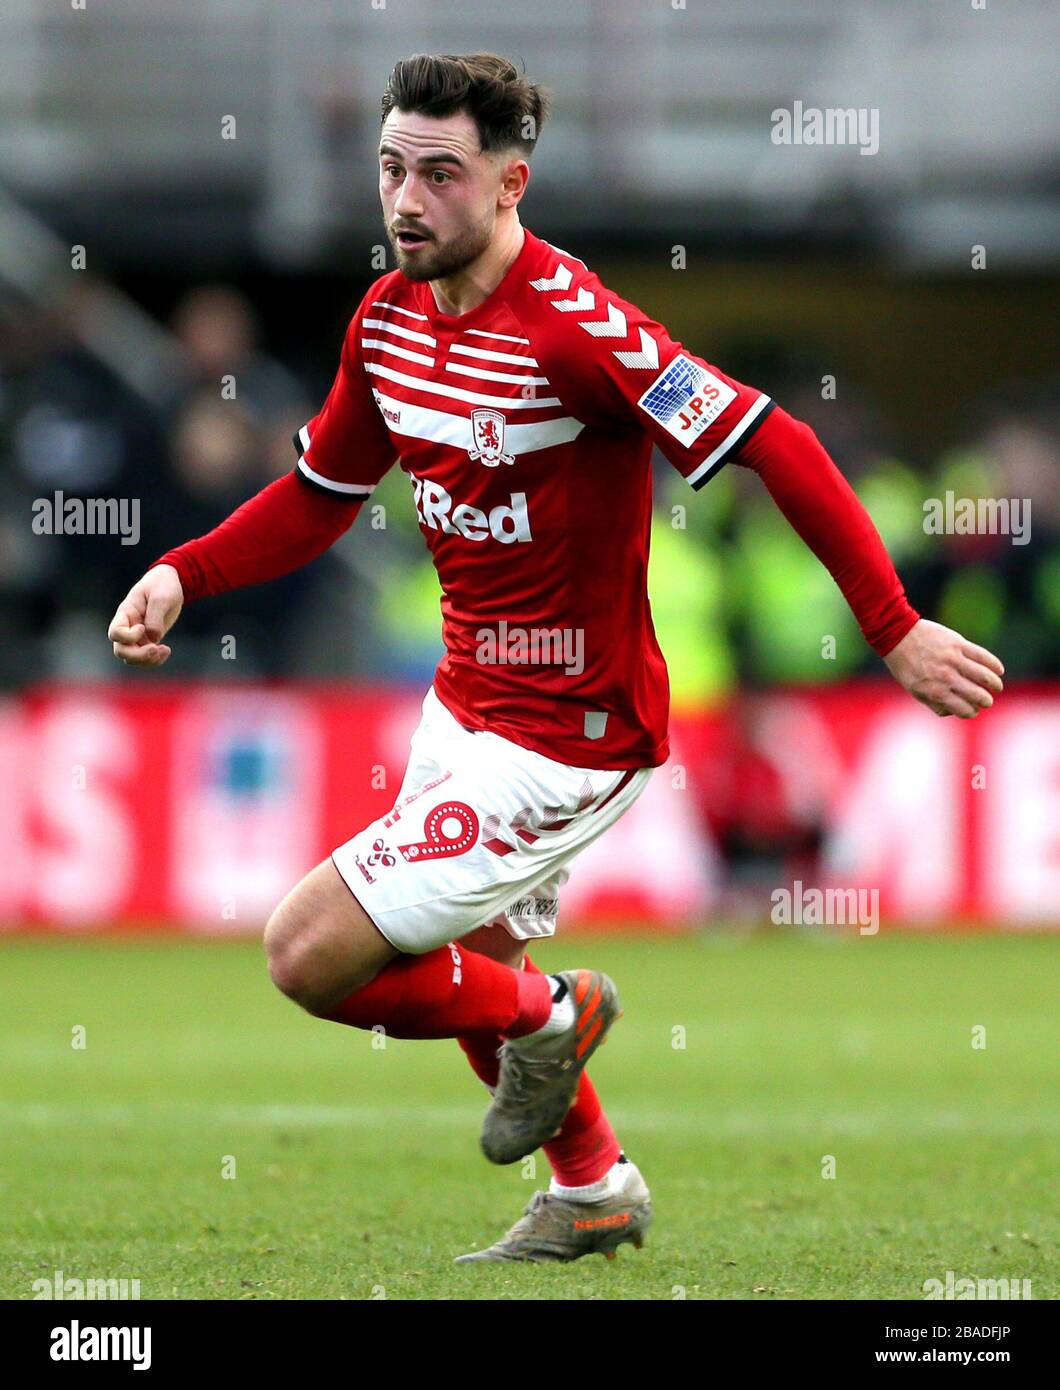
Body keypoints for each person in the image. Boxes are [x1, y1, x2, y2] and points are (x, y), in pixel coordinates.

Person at [107, 52, 1004, 1264]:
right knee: (472, 958)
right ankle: (592, 1183)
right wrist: (184, 570)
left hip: (570, 732)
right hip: (464, 700)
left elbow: (773, 438)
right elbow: (320, 495)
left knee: (309, 952)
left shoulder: (580, 329)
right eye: (389, 171)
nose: (405, 201)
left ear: (510, 182)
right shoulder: (386, 319)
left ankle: (558, 1012)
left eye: (439, 174)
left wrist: (891, 627)